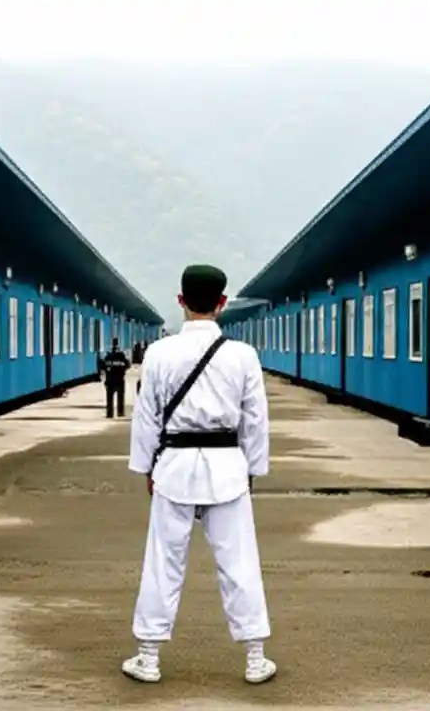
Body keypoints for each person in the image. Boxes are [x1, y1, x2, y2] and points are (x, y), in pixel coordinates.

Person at [121, 263, 275, 685]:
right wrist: (253, 469)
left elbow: (147, 417)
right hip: (228, 468)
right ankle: (255, 658)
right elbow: (255, 421)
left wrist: (146, 466)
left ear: (181, 301)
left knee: (163, 563)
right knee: (239, 561)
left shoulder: (159, 353)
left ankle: (148, 657)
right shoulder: (243, 356)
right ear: (222, 303)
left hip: (173, 466)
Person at [102, 338, 132, 418]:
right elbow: (128, 364)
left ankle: (109, 413)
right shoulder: (121, 355)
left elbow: (103, 365)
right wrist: (123, 369)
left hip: (110, 379)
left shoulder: (108, 355)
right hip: (120, 379)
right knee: (120, 397)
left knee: (109, 398)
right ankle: (120, 412)